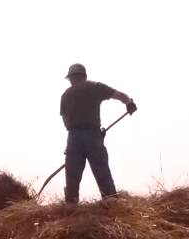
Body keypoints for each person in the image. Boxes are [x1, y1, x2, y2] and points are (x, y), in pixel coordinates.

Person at [59, 63, 137, 205]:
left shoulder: (65, 95)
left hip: (73, 138)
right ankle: (112, 205)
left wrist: (79, 131)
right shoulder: (95, 87)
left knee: (72, 179)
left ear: (71, 78)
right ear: (84, 75)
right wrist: (129, 102)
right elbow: (119, 95)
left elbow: (65, 121)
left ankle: (70, 209)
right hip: (92, 136)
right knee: (103, 175)